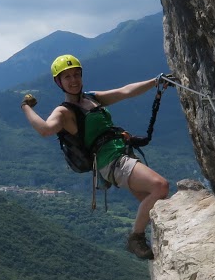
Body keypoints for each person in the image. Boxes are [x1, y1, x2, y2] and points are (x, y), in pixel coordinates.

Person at [23, 53, 170, 259]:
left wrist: (156, 81)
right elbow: (46, 129)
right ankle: (135, 237)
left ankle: (161, 243)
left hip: (121, 153)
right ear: (58, 82)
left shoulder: (92, 98)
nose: (74, 80)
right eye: (67, 77)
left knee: (155, 202)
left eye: (76, 74)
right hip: (110, 161)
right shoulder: (64, 112)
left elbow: (125, 92)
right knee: (160, 186)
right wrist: (26, 108)